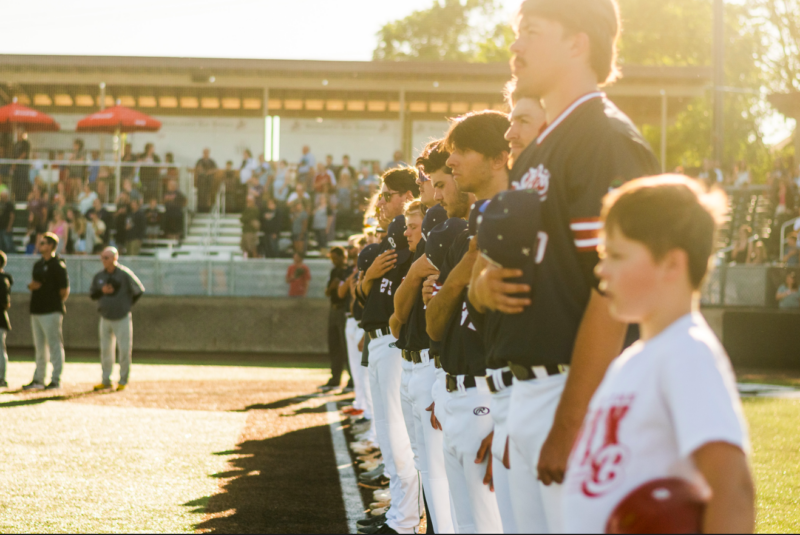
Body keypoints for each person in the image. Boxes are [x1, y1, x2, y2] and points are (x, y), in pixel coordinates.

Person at [469, 1, 661, 531]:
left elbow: (616, 289)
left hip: (576, 394)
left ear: (578, 43)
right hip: (528, 392)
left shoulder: (604, 139)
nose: (516, 45)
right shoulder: (538, 150)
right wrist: (483, 289)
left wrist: (572, 418)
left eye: (530, 31)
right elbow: (521, 269)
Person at [562, 175, 755, 533]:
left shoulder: (687, 352)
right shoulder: (632, 359)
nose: (601, 269)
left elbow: (734, 489)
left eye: (616, 255)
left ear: (671, 264)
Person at [423, 111, 511, 534]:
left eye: (462, 152)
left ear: (499, 157)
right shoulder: (474, 227)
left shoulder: (520, 220)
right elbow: (435, 326)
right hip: (458, 395)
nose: (451, 162)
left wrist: (507, 418)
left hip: (488, 400)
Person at [356, 167, 421, 534]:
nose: (381, 201)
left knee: (400, 438)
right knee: (389, 434)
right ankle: (400, 512)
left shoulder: (410, 233)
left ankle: (405, 519)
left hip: (396, 342)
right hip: (381, 337)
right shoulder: (390, 236)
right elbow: (366, 299)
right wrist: (367, 279)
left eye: (388, 194)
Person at [89, 247, 145, 391]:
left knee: (124, 349)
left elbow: (139, 290)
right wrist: (102, 291)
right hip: (105, 317)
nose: (104, 260)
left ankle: (123, 380)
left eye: (107, 258)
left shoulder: (124, 274)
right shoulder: (99, 276)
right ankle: (105, 379)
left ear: (115, 258)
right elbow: (93, 294)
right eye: (102, 257)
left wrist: (127, 304)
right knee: (106, 350)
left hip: (122, 317)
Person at [23, 232, 69, 391]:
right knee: (39, 346)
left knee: (54, 344)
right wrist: (32, 286)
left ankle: (55, 379)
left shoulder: (58, 265)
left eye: (43, 243)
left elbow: (64, 290)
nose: (40, 245)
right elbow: (35, 283)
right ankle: (38, 378)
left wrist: (53, 301)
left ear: (51, 246)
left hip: (51, 310)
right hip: (37, 309)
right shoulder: (38, 264)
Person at [321, 246, 354, 391]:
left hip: (343, 311)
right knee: (334, 344)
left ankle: (352, 379)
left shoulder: (349, 271)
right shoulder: (334, 271)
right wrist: (332, 286)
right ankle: (335, 378)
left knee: (346, 346)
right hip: (333, 310)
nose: (333, 261)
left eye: (335, 258)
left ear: (343, 257)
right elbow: (328, 292)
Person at [0, 252, 12, 388]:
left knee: (0, 350)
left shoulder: (3, 280)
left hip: (0, 318)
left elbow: (5, 303)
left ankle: (1, 378)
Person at [195, 148, 218, 213]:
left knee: (208, 196)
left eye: (207, 152)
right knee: (201, 196)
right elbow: (197, 169)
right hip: (201, 183)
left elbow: (215, 169)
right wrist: (201, 171)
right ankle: (200, 210)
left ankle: (208, 210)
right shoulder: (200, 161)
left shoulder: (211, 161)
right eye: (204, 152)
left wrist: (209, 172)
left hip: (209, 182)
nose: (206, 154)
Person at [11, 131, 31, 202]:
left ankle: (23, 200)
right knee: (16, 184)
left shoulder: (26, 143)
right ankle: (16, 199)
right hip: (16, 169)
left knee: (23, 185)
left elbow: (24, 154)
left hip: (23, 168)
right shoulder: (16, 144)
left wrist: (16, 162)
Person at [0, 189, 16, 253]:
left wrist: (9, 226)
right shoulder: (1, 204)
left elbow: (12, 216)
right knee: (1, 245)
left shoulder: (9, 204)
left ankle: (12, 257)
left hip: (6, 228)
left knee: (8, 244)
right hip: (0, 227)